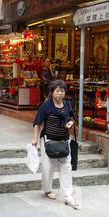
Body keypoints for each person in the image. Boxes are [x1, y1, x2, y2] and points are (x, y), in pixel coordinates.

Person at [31, 80, 80, 209]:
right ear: (52, 92)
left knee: (66, 167)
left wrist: (71, 123)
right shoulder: (46, 106)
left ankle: (68, 194)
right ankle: (47, 189)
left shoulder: (67, 105)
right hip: (49, 141)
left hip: (64, 141)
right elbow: (38, 123)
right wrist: (35, 138)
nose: (60, 93)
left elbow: (72, 118)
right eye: (57, 91)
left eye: (62, 91)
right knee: (48, 168)